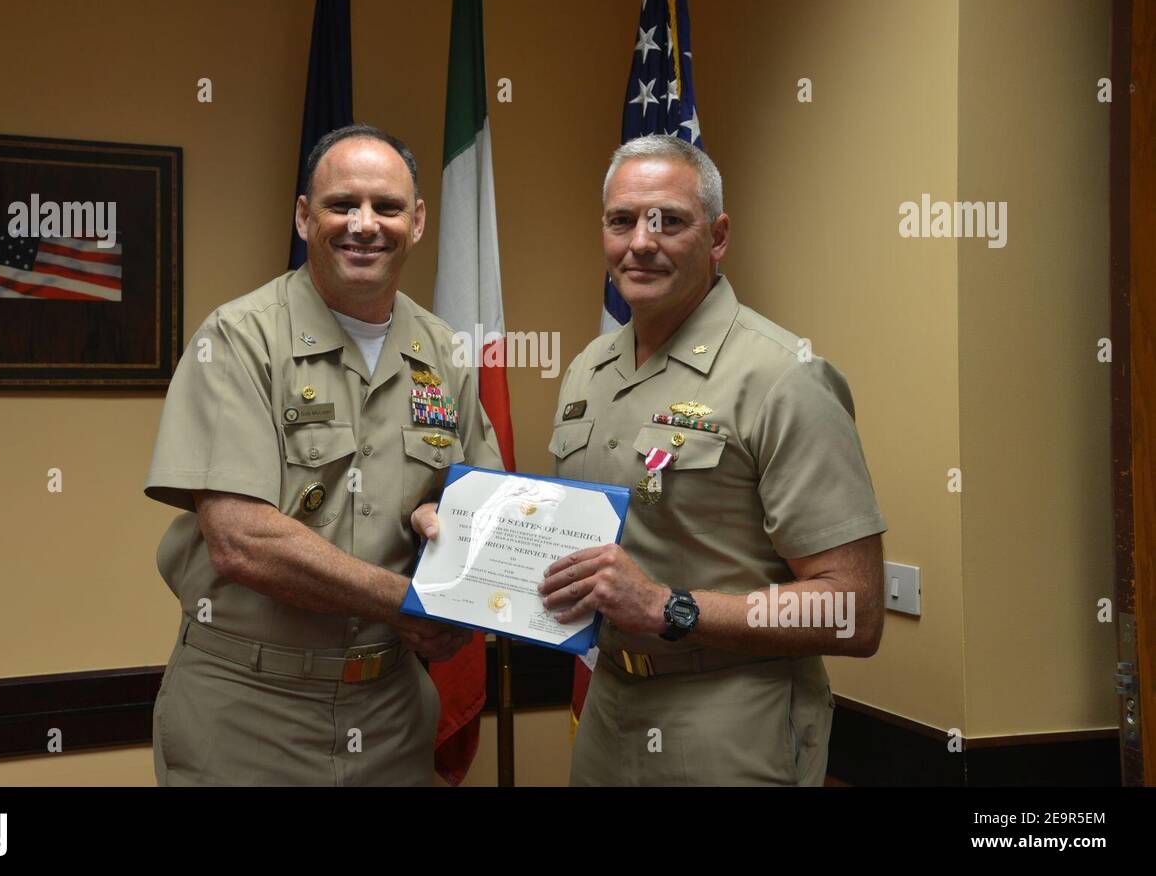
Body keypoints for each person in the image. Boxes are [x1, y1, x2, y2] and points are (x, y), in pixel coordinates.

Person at [145, 123, 501, 785]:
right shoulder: (240, 337)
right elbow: (241, 538)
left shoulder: (443, 351)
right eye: (342, 205)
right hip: (251, 708)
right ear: (305, 217)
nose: (364, 225)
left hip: (392, 708)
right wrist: (410, 602)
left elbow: (484, 506)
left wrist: (439, 527)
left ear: (417, 222)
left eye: (387, 207)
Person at [540, 133, 886, 786]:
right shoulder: (590, 370)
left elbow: (854, 610)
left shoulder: (784, 377)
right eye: (622, 221)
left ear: (718, 237)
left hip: (731, 716)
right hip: (607, 705)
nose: (641, 242)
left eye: (670, 221)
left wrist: (673, 608)